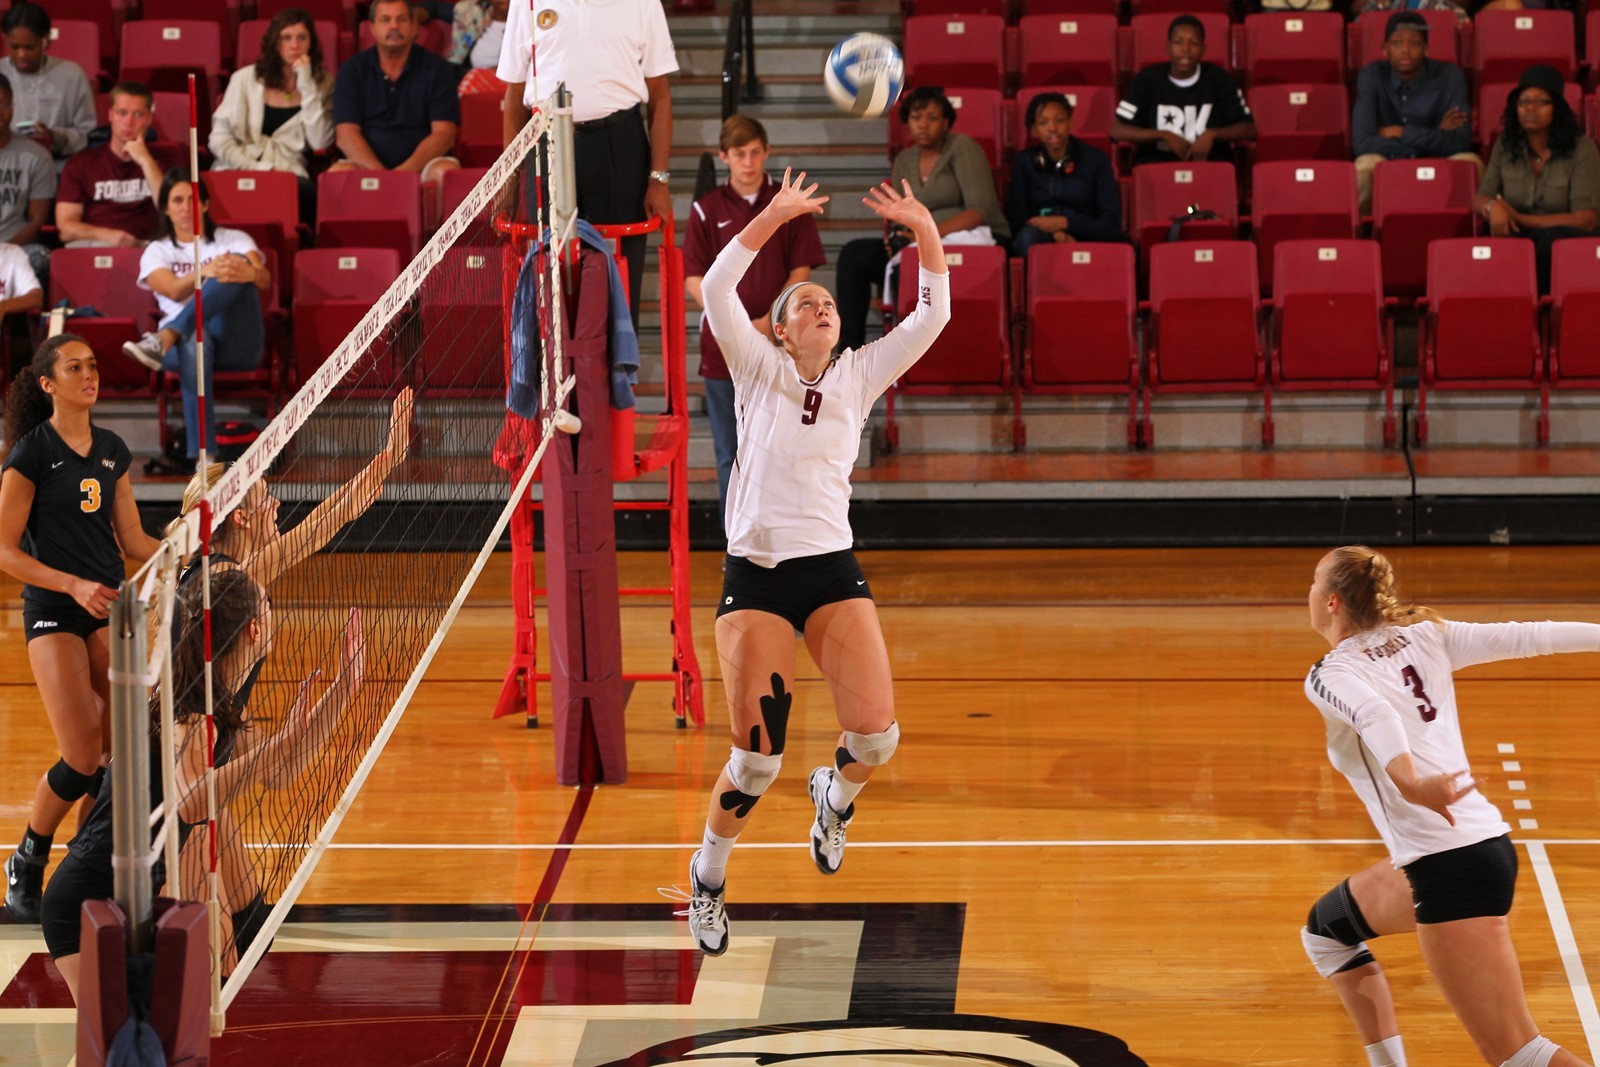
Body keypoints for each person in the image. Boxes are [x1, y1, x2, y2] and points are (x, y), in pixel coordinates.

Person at [663, 171, 949, 956]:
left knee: (879, 738)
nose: (821, 306)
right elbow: (717, 285)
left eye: (828, 303)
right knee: (755, 762)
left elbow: (934, 311)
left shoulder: (860, 373)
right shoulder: (756, 367)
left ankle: (835, 795)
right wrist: (776, 216)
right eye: (803, 305)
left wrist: (924, 226)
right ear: (781, 332)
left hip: (829, 569)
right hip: (756, 576)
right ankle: (709, 872)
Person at [1301, 545, 1600, 1067]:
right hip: (1463, 852)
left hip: (1450, 869)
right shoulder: (1427, 637)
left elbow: (1373, 714)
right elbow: (1532, 635)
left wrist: (1411, 782)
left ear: (1331, 602)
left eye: (1312, 581)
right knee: (1328, 932)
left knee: (1519, 1054)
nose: (1306, 591)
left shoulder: (1331, 673)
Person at [40, 569, 366, 1001]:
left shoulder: (218, 700)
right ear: (254, 629)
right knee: (120, 1047)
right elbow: (191, 800)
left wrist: (345, 689)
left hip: (126, 895)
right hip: (87, 898)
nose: (273, 614)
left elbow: (281, 770)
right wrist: (281, 744)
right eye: (267, 608)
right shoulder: (192, 710)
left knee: (143, 1042)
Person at [0, 334, 163, 924]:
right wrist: (69, 584)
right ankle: (28, 856)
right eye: (75, 368)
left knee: (122, 748)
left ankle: (84, 864)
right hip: (54, 608)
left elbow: (134, 541)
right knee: (82, 753)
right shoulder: (30, 454)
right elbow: (4, 550)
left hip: (108, 610)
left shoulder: (114, 449)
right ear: (49, 385)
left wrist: (197, 541)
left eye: (93, 365)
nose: (89, 374)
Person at [683, 115, 826, 531]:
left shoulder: (789, 205)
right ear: (724, 157)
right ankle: (738, 540)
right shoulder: (705, 209)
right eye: (739, 154)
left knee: (786, 447)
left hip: (784, 344)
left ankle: (791, 535)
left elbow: (802, 269)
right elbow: (695, 278)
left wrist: (771, 322)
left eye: (756, 152)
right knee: (731, 450)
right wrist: (738, 327)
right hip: (723, 351)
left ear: (766, 152)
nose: (748, 162)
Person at [496, 0, 676, 324]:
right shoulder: (527, 2)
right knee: (547, 273)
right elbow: (513, 97)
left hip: (620, 144)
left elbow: (660, 95)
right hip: (546, 142)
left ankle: (619, 372)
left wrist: (658, 179)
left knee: (621, 274)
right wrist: (508, 183)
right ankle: (549, 370)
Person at [164, 386, 414, 591]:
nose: (276, 504)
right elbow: (312, 533)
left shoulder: (212, 566)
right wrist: (389, 461)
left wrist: (389, 459)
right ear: (241, 517)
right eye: (265, 498)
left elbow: (314, 523)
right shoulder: (226, 581)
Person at [835, 87, 1006, 352]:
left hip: (967, 240)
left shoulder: (962, 147)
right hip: (919, 244)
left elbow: (980, 210)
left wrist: (926, 233)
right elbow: (903, 212)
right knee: (853, 255)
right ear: (907, 123)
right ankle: (849, 351)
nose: (924, 124)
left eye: (933, 117)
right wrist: (900, 234)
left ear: (946, 122)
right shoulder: (905, 158)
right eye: (916, 117)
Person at [120, 170, 271, 467]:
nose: (185, 207)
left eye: (192, 199)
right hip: (186, 351)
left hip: (235, 341)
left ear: (204, 204)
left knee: (239, 262)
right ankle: (205, 457)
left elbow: (264, 279)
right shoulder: (157, 250)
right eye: (177, 200)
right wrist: (205, 270)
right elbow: (174, 291)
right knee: (195, 338)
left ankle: (166, 336)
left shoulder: (233, 239)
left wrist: (249, 272)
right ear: (166, 207)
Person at [1475, 65, 1600, 295]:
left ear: (1557, 109)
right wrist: (1492, 207)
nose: (1530, 108)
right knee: (1494, 237)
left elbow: (1586, 220)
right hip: (1518, 234)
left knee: (1548, 243)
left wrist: (1518, 217)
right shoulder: (1506, 143)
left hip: (1566, 240)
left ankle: (1544, 309)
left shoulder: (1582, 148)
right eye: (1523, 102)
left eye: (1541, 101)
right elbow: (1481, 197)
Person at [210, 5, 335, 222]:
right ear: (275, 43)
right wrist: (256, 168)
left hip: (287, 174)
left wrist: (305, 82)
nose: (294, 45)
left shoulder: (323, 83)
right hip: (237, 166)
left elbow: (320, 141)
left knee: (305, 193)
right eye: (286, 38)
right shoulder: (244, 79)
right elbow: (218, 140)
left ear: (311, 42)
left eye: (302, 38)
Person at [1351, 13, 1480, 216]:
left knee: (1471, 161)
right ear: (1385, 49)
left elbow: (1460, 142)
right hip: (1391, 159)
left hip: (1437, 159)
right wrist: (1433, 137)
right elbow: (1362, 143)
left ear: (1426, 49)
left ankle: (1467, 230)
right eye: (1397, 43)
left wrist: (1399, 132)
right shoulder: (1371, 75)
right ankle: (1364, 233)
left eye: (1414, 43)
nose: (1405, 50)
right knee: (1365, 165)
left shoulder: (1450, 76)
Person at [331, 0, 461, 185]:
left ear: (413, 26)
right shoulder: (351, 70)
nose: (394, 26)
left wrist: (404, 173)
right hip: (366, 165)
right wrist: (381, 175)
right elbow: (346, 135)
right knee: (337, 174)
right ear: (372, 28)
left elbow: (444, 134)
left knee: (445, 172)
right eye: (385, 20)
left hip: (423, 165)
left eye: (401, 19)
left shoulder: (438, 69)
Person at [1111, 15, 1256, 167]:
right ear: (1167, 47)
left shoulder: (1220, 79)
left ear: (1203, 49)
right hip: (1157, 165)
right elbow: (1117, 130)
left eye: (1193, 43)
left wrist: (1212, 134)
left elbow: (1249, 129)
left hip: (1209, 164)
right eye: (1178, 42)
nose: (1185, 49)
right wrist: (1163, 135)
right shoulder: (1146, 79)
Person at [55, 82, 179, 248]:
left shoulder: (167, 160)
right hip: (96, 245)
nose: (129, 122)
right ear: (110, 115)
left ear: (149, 119)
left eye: (138, 114)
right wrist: (106, 236)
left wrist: (146, 161)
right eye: (122, 113)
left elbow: (174, 213)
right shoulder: (81, 163)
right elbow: (66, 228)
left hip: (150, 247)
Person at [1006, 91, 1122, 258]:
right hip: (1041, 239)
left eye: (1059, 120)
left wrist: (1065, 223)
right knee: (1027, 237)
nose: (1052, 128)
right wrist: (1056, 233)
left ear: (1071, 123)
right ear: (1034, 131)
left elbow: (1111, 227)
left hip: (1087, 239)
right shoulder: (1025, 162)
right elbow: (1016, 219)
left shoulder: (1096, 160)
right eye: (1043, 123)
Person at [0, 1, 96, 164]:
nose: (21, 54)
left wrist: (53, 137)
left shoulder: (71, 74)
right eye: (14, 47)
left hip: (56, 165)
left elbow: (87, 134)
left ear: (46, 41)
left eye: (30, 47)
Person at [0, 73, 57, 278]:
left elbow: (37, 221)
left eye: (5, 103)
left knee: (40, 257)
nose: (0, 112)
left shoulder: (36, 155)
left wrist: (5, 250)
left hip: (15, 247)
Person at [449, 0, 509, 95]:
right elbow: (433, 8)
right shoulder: (472, 12)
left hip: (510, 87)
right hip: (470, 82)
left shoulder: (533, 22)